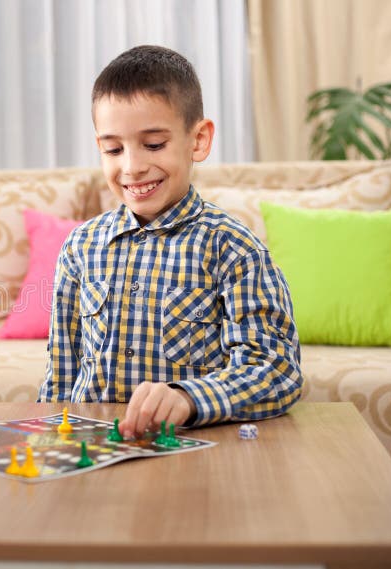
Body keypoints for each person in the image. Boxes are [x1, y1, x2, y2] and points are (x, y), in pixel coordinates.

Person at [38, 45, 303, 436]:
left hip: (189, 448)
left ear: (198, 140)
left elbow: (276, 371)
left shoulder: (234, 249)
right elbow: (61, 373)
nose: (132, 167)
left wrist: (189, 398)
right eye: (113, 149)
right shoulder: (80, 247)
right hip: (91, 449)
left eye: (153, 145)